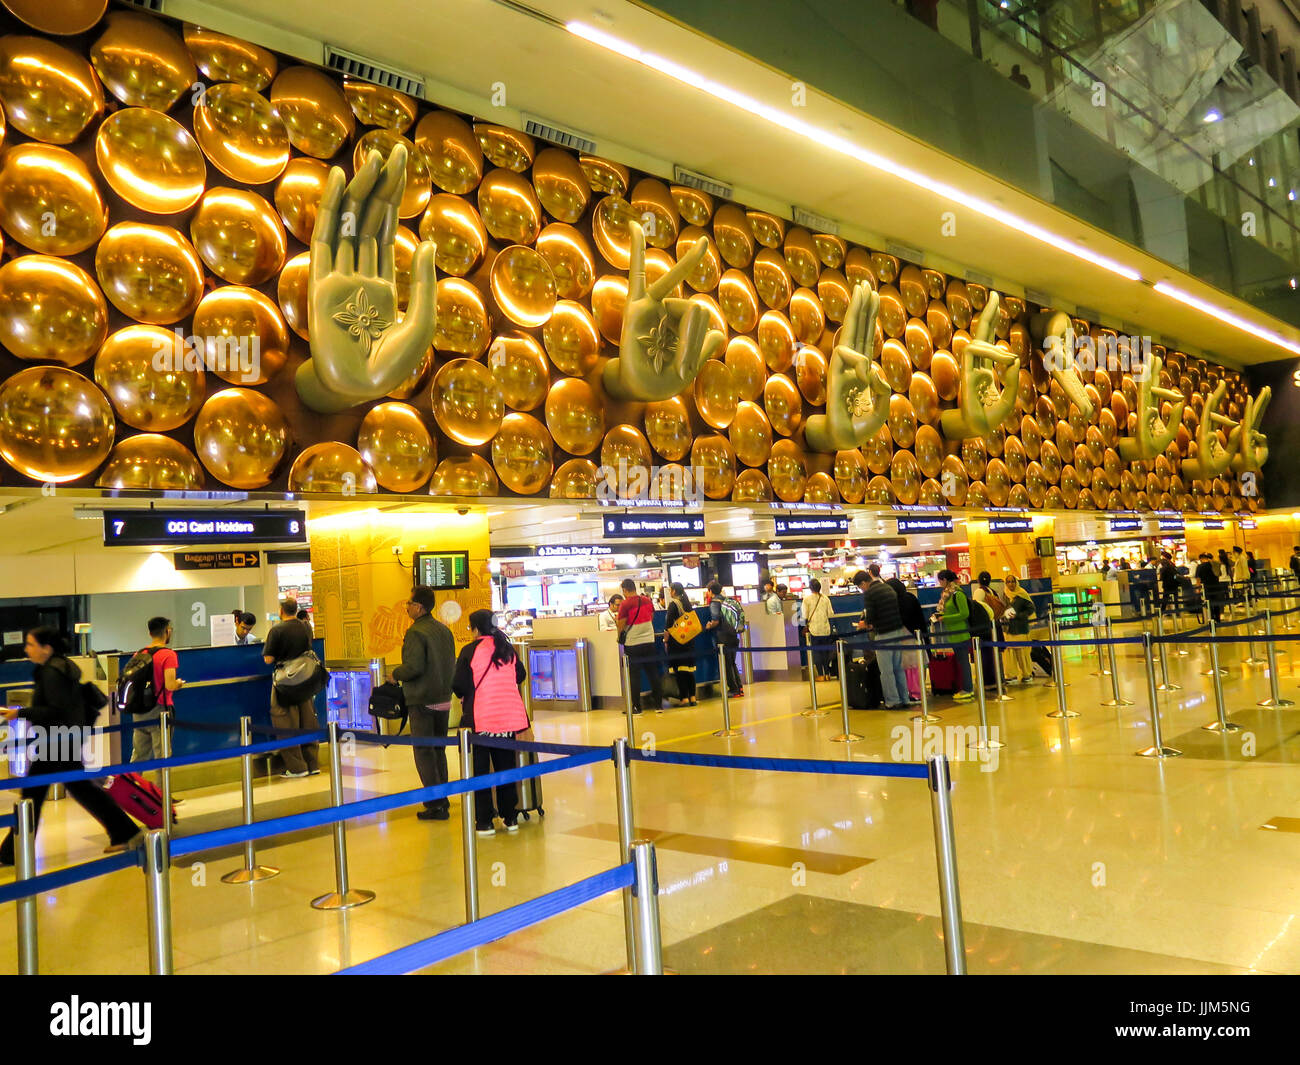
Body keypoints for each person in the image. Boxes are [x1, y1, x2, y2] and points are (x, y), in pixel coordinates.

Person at [0, 627, 142, 866]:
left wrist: (19, 712)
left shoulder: (51, 672)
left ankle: (11, 853)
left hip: (56, 742)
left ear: (47, 648)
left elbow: (56, 710)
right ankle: (125, 831)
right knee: (80, 789)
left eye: (31, 644)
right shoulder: (60, 667)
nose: (27, 649)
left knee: (32, 796)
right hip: (63, 740)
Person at [451, 610, 530, 837]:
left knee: (480, 770)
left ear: (476, 628)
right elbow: (520, 675)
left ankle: (485, 821)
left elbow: (459, 684)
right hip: (508, 718)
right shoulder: (507, 649)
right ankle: (510, 817)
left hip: (481, 719)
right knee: (506, 768)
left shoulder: (470, 651)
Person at [392, 585, 456, 821]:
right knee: (438, 750)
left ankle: (435, 804)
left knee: (423, 751)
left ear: (418, 607)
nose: (406, 607)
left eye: (409, 603)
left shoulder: (415, 632)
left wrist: (395, 674)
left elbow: (414, 667)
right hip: (443, 698)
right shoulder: (443, 630)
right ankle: (444, 798)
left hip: (422, 700)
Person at [263, 598, 320, 778]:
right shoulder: (305, 627)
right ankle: (313, 763)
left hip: (285, 683)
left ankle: (297, 767)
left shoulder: (276, 630)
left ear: (281, 610)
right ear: (296, 610)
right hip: (306, 679)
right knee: (307, 720)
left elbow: (268, 659)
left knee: (286, 722)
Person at [127, 616, 184, 788]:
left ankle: (132, 791)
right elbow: (170, 684)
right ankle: (162, 796)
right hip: (160, 710)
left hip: (139, 710)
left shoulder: (139, 653)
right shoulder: (168, 654)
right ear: (167, 631)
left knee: (139, 754)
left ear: (150, 633)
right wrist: (179, 684)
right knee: (162, 755)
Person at [858, 569, 912, 710]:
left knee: (886, 671)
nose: (861, 590)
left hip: (883, 633)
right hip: (897, 631)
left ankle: (892, 701)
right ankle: (904, 698)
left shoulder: (870, 593)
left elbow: (870, 616)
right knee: (898, 668)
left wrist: (864, 623)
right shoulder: (887, 587)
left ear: (864, 583)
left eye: (860, 587)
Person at [617, 579, 662, 714]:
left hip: (633, 643)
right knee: (653, 673)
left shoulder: (625, 604)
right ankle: (659, 706)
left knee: (634, 676)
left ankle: (637, 707)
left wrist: (620, 636)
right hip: (649, 641)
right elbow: (651, 616)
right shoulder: (647, 600)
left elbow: (621, 624)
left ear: (625, 590)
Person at [932, 570, 975, 701]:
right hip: (954, 634)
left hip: (960, 633)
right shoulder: (948, 594)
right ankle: (965, 687)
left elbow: (964, 614)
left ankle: (968, 689)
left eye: (940, 580)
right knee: (961, 662)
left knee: (963, 662)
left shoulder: (957, 594)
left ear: (945, 580)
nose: (939, 583)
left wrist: (945, 618)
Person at [705, 580, 743, 697]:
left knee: (727, 664)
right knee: (732, 662)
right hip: (733, 635)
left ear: (710, 591)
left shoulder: (715, 603)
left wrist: (708, 626)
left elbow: (716, 621)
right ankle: (739, 687)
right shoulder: (729, 600)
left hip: (723, 637)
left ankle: (733, 689)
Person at [663, 582, 698, 706]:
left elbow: (668, 626)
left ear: (673, 591)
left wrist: (665, 640)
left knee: (680, 671)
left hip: (677, 642)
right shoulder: (687, 603)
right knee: (688, 671)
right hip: (689, 640)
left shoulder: (673, 604)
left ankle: (684, 698)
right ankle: (693, 697)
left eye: (670, 590)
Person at [1001, 575, 1036, 683]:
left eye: (1012, 582)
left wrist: (1018, 615)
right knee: (1010, 653)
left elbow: (1031, 609)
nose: (1011, 584)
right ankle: (1011, 675)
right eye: (1008, 582)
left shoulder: (1022, 594)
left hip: (1020, 628)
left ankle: (1026, 674)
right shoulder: (1005, 594)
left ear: (1016, 582)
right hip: (1008, 629)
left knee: (1022, 653)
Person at [802, 578, 835, 680]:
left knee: (817, 652)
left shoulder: (807, 599)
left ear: (810, 588)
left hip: (814, 630)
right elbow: (831, 614)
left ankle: (820, 675)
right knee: (825, 652)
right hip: (825, 629)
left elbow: (804, 615)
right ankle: (827, 674)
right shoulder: (825, 598)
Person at [1195, 552, 1223, 623]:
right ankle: (1218, 618)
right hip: (1216, 586)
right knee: (1216, 603)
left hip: (1206, 587)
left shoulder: (1200, 566)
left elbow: (1198, 579)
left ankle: (1212, 619)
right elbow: (1219, 574)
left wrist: (1198, 589)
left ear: (1201, 559)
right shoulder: (1214, 564)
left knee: (1208, 603)